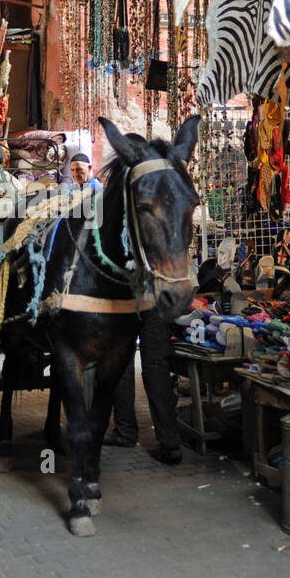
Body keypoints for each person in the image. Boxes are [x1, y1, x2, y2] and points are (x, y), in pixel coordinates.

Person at [98, 134, 182, 464]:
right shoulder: (160, 190)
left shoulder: (114, 196)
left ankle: (126, 432)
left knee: (120, 367)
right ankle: (170, 442)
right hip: (156, 296)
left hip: (128, 296)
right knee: (156, 367)